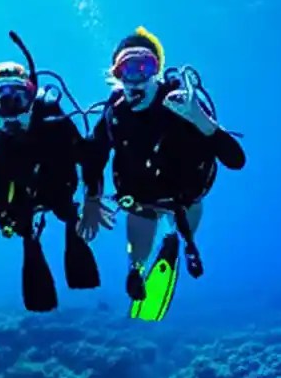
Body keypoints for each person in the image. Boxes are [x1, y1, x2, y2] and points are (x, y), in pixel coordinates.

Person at [77, 26, 246, 320]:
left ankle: (174, 237)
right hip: (141, 197)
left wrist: (202, 122)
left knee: (182, 215)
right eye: (126, 69)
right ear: (116, 74)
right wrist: (91, 198)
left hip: (186, 195)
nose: (135, 78)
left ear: (158, 71)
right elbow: (94, 157)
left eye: (144, 66)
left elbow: (236, 160)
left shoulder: (183, 103)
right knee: (141, 216)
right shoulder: (114, 112)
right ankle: (136, 268)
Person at [0, 53, 106, 313]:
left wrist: (93, 199)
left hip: (58, 195)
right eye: (1, 99)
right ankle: (31, 240)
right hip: (15, 209)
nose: (11, 108)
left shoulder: (54, 123)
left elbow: (92, 158)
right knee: (26, 233)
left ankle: (68, 228)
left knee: (67, 215)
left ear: (32, 97)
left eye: (19, 97)